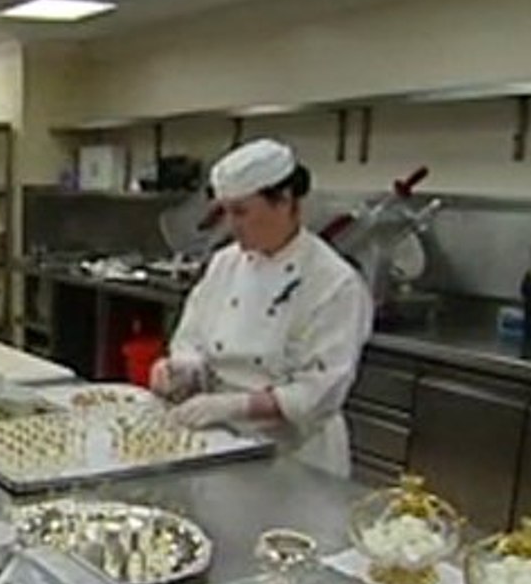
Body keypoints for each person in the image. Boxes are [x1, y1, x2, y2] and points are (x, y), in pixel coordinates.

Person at [150, 138, 373, 477]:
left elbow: (317, 393)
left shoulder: (333, 283)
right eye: (225, 212)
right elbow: (191, 337)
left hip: (295, 457)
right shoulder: (225, 263)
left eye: (242, 212)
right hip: (219, 443)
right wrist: (181, 370)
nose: (231, 224)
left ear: (285, 202)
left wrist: (234, 406)